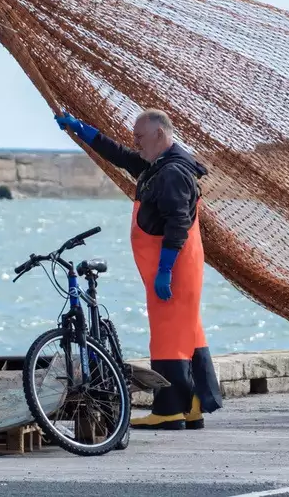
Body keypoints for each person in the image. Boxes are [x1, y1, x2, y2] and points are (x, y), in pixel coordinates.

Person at [55, 108, 222, 430]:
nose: (136, 142)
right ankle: (194, 404)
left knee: (168, 337)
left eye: (140, 137)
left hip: (174, 268)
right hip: (173, 267)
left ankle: (169, 410)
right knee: (189, 332)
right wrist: (82, 130)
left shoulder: (173, 172)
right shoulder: (160, 164)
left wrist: (165, 269)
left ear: (159, 134)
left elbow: (178, 223)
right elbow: (122, 157)